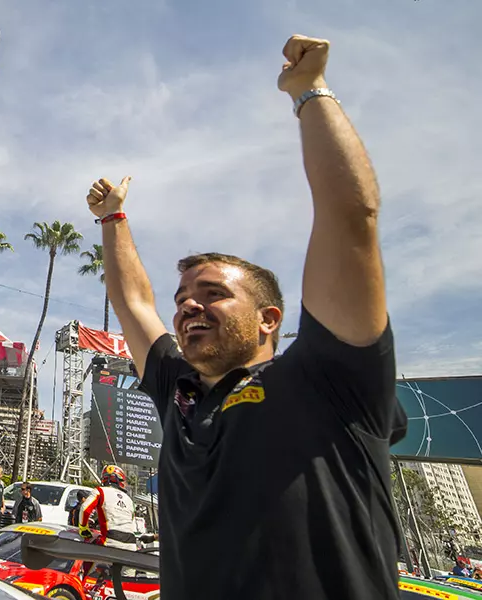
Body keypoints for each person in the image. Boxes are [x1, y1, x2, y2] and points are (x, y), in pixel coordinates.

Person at [85, 35, 407, 600]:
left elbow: (352, 217)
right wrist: (114, 218)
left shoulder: (327, 377)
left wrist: (309, 91)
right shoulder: (179, 387)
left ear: (268, 320)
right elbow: (135, 303)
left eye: (213, 293)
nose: (187, 304)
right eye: (184, 294)